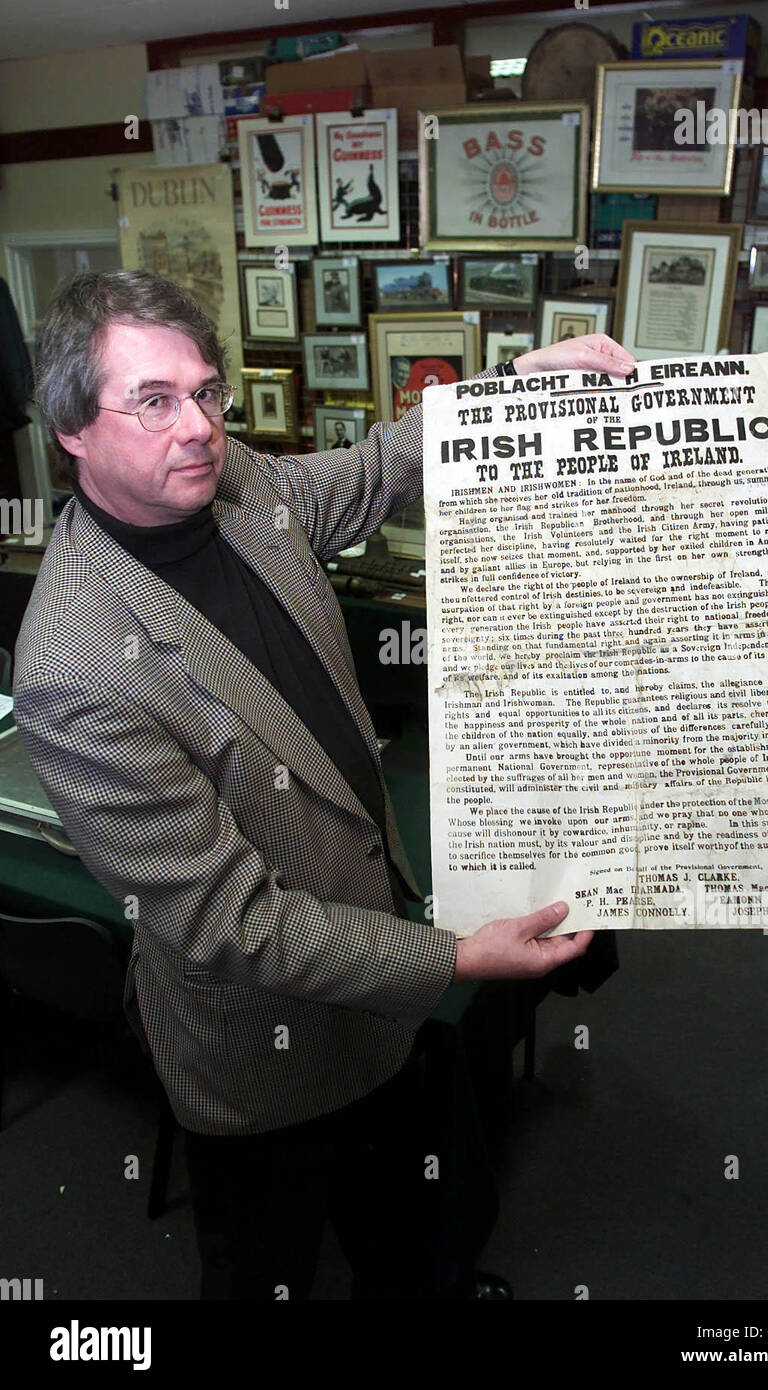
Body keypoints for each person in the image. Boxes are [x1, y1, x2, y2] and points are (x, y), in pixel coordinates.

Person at [14, 270, 635, 1301]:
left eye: (208, 391)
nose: (201, 427)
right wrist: (452, 956)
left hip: (377, 992)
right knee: (268, 1268)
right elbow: (235, 923)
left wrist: (522, 382)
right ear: (73, 427)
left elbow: (373, 467)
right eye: (156, 400)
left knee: (401, 1221)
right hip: (261, 1055)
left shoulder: (238, 482)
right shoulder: (74, 665)